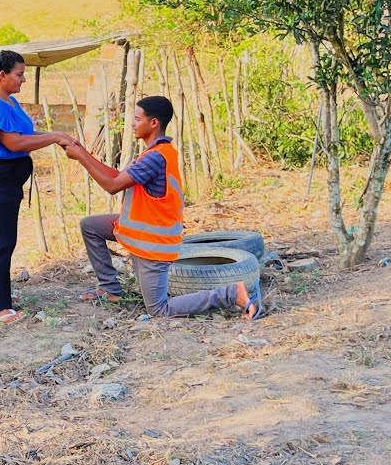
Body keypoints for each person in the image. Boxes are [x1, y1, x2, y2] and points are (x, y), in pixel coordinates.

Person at [64, 95, 264, 320]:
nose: (132, 124)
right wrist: (83, 153)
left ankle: (231, 293)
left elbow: (112, 186)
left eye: (137, 119)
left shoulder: (155, 158)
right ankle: (110, 289)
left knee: (159, 309)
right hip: (139, 231)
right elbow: (117, 177)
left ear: (153, 123)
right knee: (90, 226)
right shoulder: (154, 153)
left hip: (153, 244)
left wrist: (81, 157)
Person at [0, 49, 77, 324]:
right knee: (1, 241)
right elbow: (15, 143)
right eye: (19, 75)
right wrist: (54, 137)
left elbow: (26, 135)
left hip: (6, 180)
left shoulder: (9, 102)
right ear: (2, 75)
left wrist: (56, 135)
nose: (23, 80)